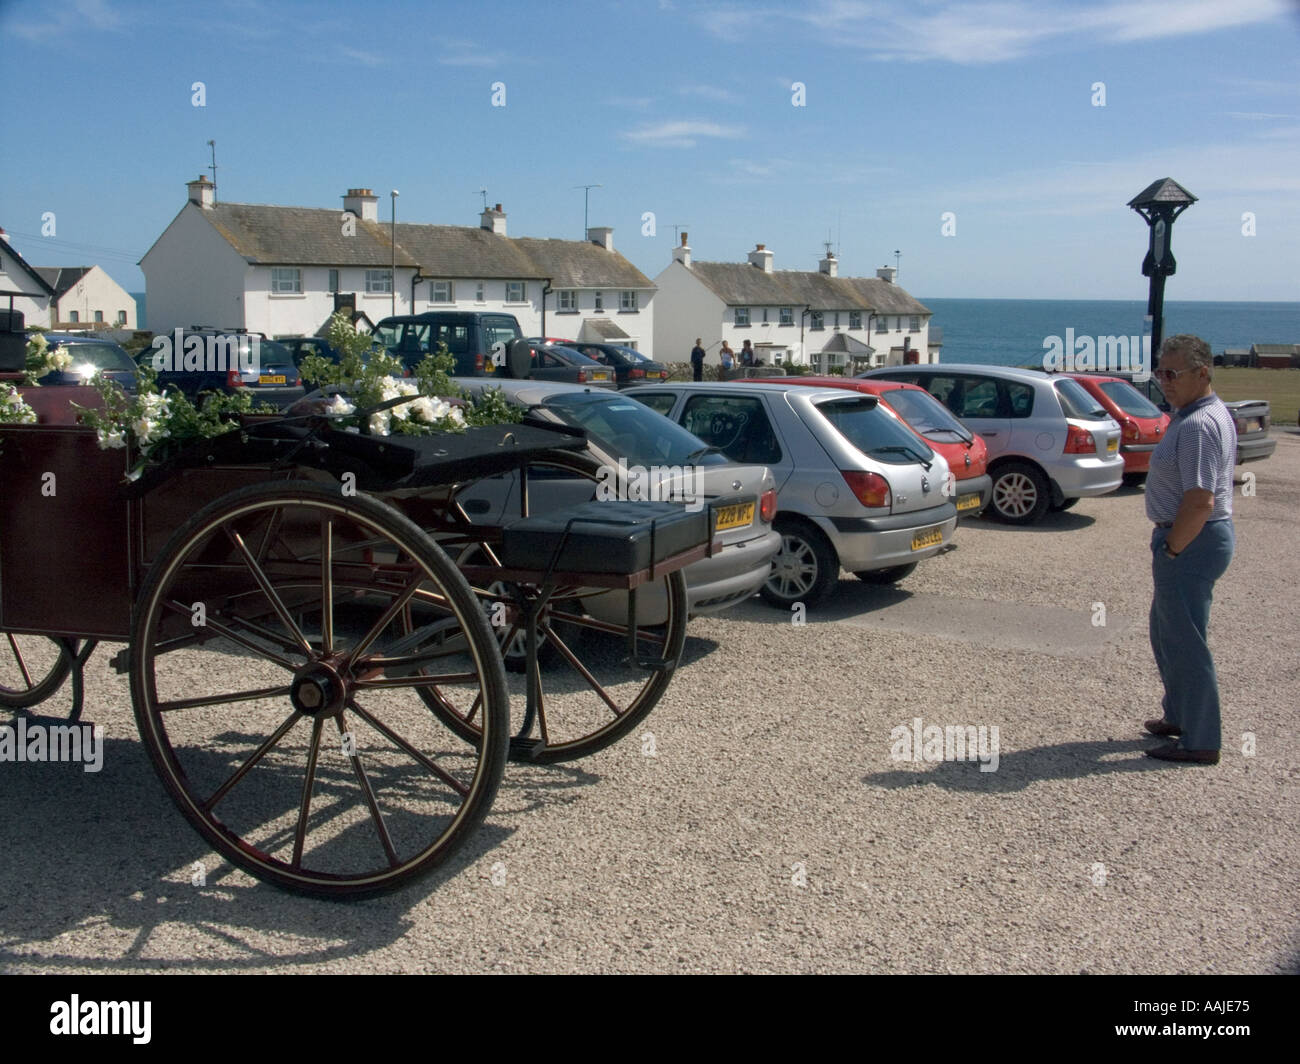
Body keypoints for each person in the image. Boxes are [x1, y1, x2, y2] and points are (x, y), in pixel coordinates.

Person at [1142, 334, 1236, 765]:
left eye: (1173, 373)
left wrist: (1174, 549)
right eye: (1161, 372)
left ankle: (1201, 740)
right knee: (1167, 632)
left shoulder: (1199, 424)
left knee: (1186, 641)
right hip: (1186, 539)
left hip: (1191, 540)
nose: (1165, 381)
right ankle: (1178, 715)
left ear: (1203, 373)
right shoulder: (1193, 414)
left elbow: (1201, 500)